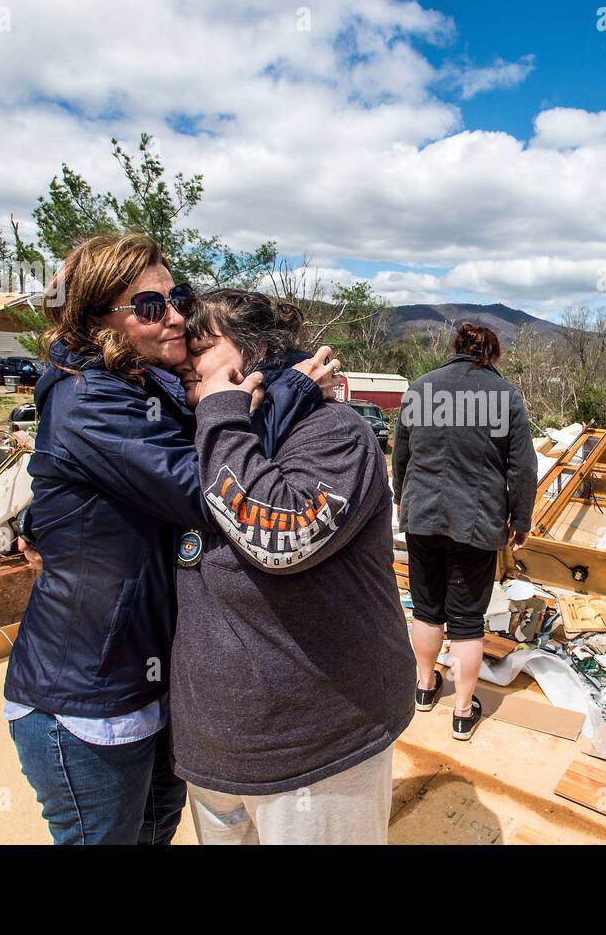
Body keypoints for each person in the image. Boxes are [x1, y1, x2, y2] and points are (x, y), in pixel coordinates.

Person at [3, 235, 336, 845]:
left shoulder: (139, 383)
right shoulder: (90, 398)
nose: (177, 316)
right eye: (150, 307)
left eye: (175, 297)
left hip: (146, 686)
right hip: (87, 694)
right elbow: (212, 489)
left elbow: (210, 435)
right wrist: (291, 393)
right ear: (99, 319)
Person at [170, 289, 415, 845]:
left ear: (254, 353)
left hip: (319, 750)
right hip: (215, 751)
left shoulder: (334, 434)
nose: (184, 360)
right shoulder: (195, 428)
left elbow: (279, 536)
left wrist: (221, 411)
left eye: (201, 348)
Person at [392, 323, 536, 740]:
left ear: (455, 348)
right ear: (491, 353)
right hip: (475, 521)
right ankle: (461, 710)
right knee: (468, 621)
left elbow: (401, 452)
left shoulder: (420, 388)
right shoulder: (503, 395)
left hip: (421, 517)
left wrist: (404, 499)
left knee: (426, 609)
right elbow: (523, 467)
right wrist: (520, 519)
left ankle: (423, 687)